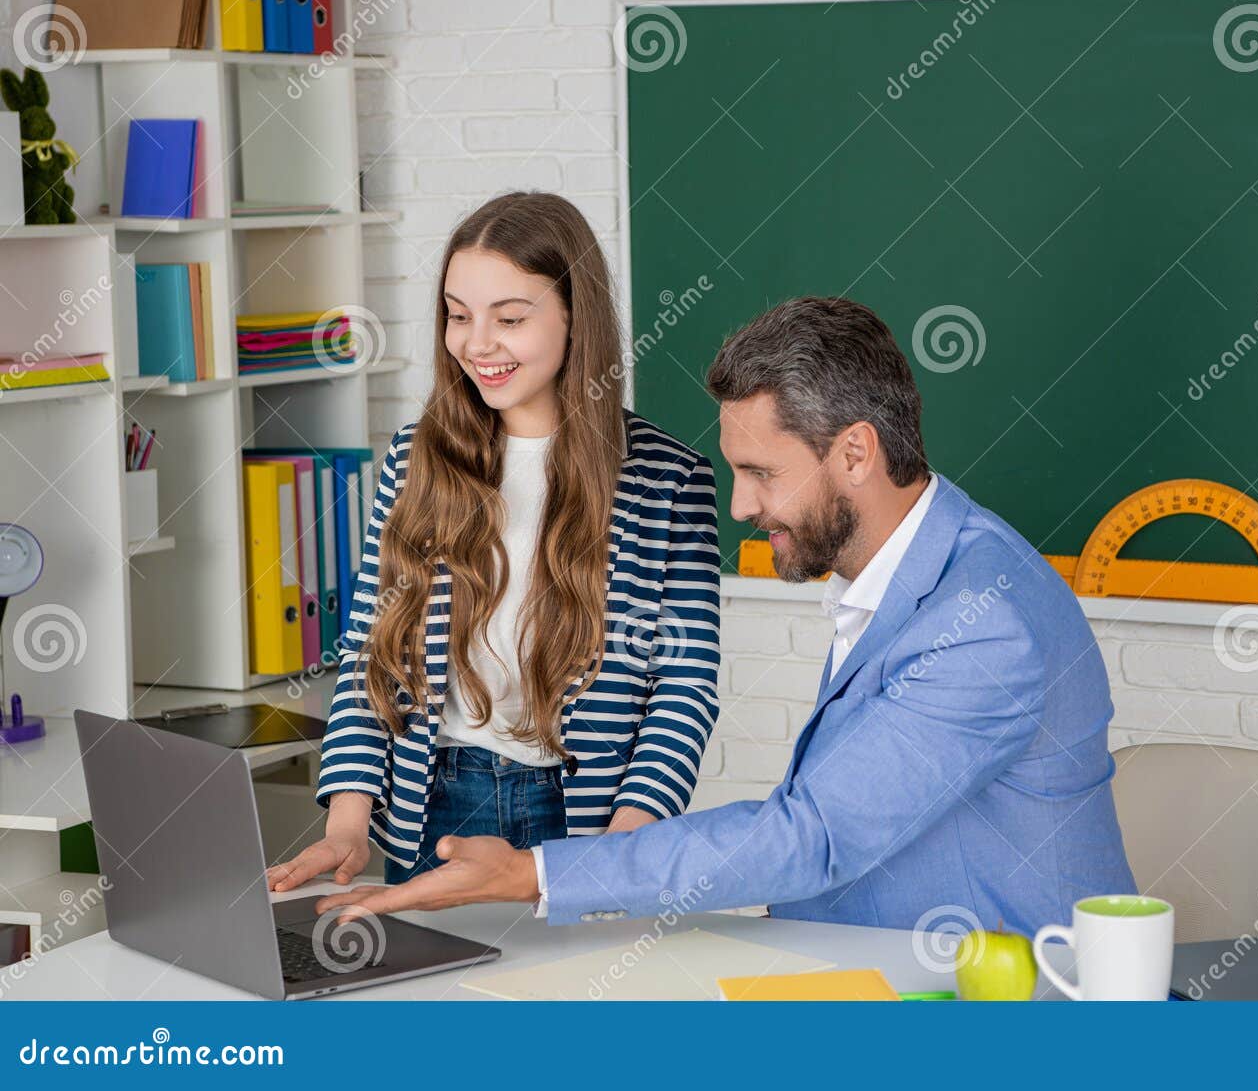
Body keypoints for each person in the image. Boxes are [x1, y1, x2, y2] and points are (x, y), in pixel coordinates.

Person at [317, 295, 1134, 936]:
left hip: (1008, 1007)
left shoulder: (986, 624)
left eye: (761, 473)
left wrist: (533, 873)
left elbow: (811, 836)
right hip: (867, 968)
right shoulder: (913, 571)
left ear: (855, 453)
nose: (740, 504)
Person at [269, 191, 720, 892]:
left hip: (584, 817)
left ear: (576, 317)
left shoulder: (669, 477)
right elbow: (371, 654)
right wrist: (347, 826)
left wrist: (625, 844)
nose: (477, 344)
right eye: (458, 316)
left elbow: (683, 687)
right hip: (434, 804)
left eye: (509, 318)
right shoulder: (415, 459)